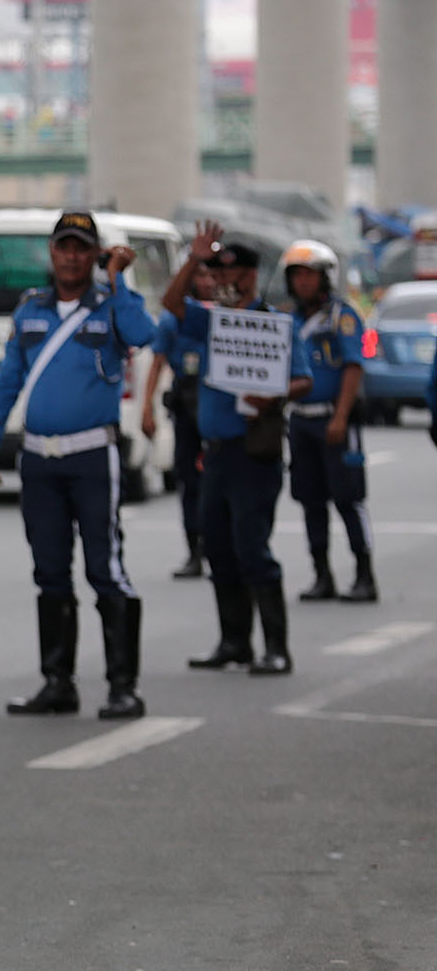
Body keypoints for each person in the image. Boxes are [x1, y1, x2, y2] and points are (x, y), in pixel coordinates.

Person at [0, 211, 156, 721]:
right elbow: (6, 383)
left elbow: (143, 333)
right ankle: (57, 683)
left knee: (104, 568)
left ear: (95, 254)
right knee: (49, 570)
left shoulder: (112, 304)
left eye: (82, 248)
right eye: (63, 247)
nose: (71, 257)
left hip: (92, 457)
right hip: (40, 462)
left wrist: (118, 280)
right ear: (51, 253)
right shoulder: (30, 310)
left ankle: (122, 687)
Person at [160, 224, 312, 675]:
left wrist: (276, 394)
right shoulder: (213, 319)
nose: (223, 279)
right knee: (219, 549)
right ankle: (234, 642)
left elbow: (305, 379)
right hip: (217, 453)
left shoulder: (275, 324)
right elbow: (171, 305)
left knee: (252, 549)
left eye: (230, 271)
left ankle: (276, 647)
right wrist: (193, 259)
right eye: (217, 271)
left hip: (254, 451)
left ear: (250, 274)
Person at [282, 240, 376, 603]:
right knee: (309, 499)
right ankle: (322, 574)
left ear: (325, 277)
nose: (303, 283)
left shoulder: (342, 315)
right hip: (301, 422)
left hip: (335, 421)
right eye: (297, 276)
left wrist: (340, 416)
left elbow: (354, 366)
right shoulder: (288, 320)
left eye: (309, 275)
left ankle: (364, 574)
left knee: (348, 498)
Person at [142, 261, 219, 578]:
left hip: (219, 404)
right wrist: (146, 408)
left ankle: (220, 551)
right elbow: (157, 361)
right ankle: (194, 552)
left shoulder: (231, 314)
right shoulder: (177, 316)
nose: (208, 281)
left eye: (213, 274)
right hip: (187, 405)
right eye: (200, 274)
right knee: (189, 481)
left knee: (219, 482)